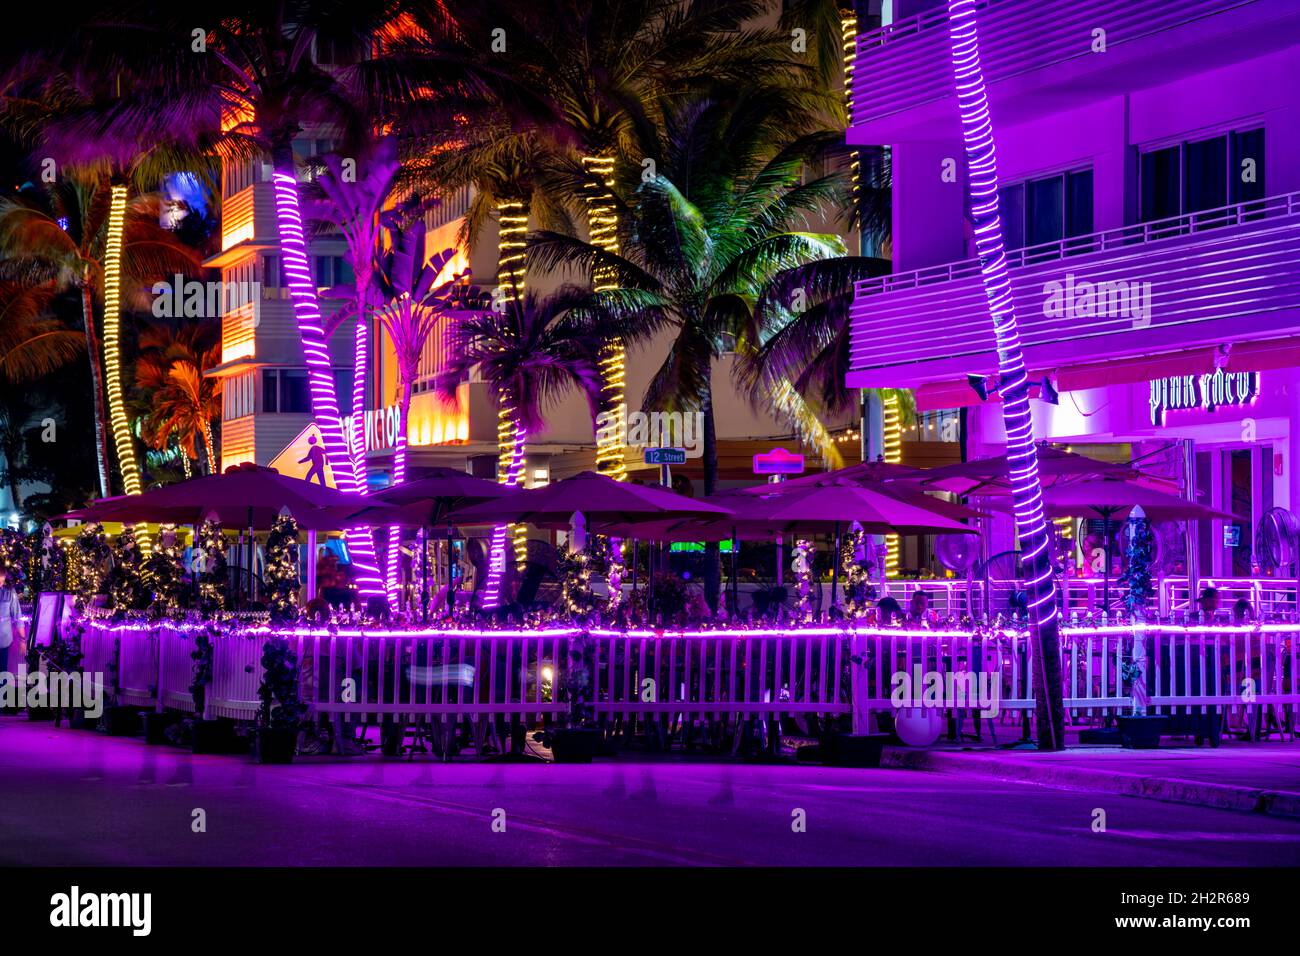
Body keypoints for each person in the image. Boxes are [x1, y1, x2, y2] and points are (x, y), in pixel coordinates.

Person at [0, 566, 24, 675]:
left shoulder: (9, 592)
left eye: (2, 581)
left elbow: (18, 617)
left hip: (3, 643)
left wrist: (23, 640)